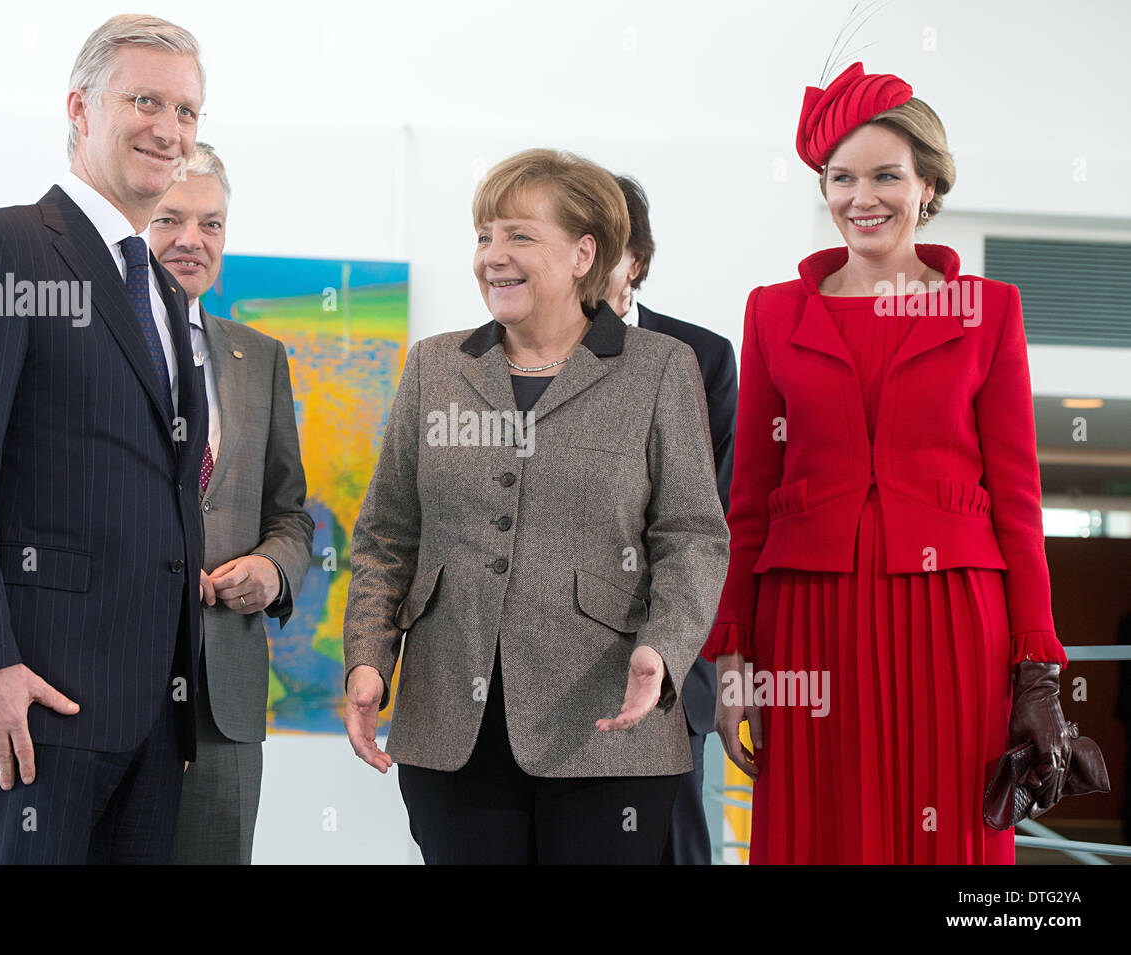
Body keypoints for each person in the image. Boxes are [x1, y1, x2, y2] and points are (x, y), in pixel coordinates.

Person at [704, 62, 1071, 864]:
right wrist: (733, 660)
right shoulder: (773, 313)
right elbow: (749, 500)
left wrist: (1037, 668)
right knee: (820, 829)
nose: (860, 197)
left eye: (885, 175)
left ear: (928, 184)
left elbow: (1018, 502)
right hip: (807, 620)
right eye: (841, 177)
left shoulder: (989, 311)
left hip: (953, 622)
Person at [342, 148, 730, 864]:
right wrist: (368, 658)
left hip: (608, 726)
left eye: (519, 235)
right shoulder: (436, 366)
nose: (494, 255)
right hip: (451, 727)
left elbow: (693, 536)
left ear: (586, 252)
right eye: (485, 236)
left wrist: (664, 646)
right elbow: (387, 534)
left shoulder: (661, 367)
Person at [0, 14, 209, 864]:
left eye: (188, 112)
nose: (169, 129)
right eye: (146, 100)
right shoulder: (2, 248)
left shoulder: (168, 299)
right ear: (79, 107)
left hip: (152, 715)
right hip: (30, 703)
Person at [153, 143, 316, 864]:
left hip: (225, 694)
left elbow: (291, 512)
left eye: (211, 224)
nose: (193, 240)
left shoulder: (262, 357)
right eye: (170, 219)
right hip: (112, 678)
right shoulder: (86, 341)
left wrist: (274, 569)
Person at [604, 174, 737, 865]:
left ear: (638, 259)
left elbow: (704, 525)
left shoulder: (700, 357)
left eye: (608, 244)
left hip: (671, 675)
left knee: (675, 851)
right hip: (546, 681)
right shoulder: (516, 355)